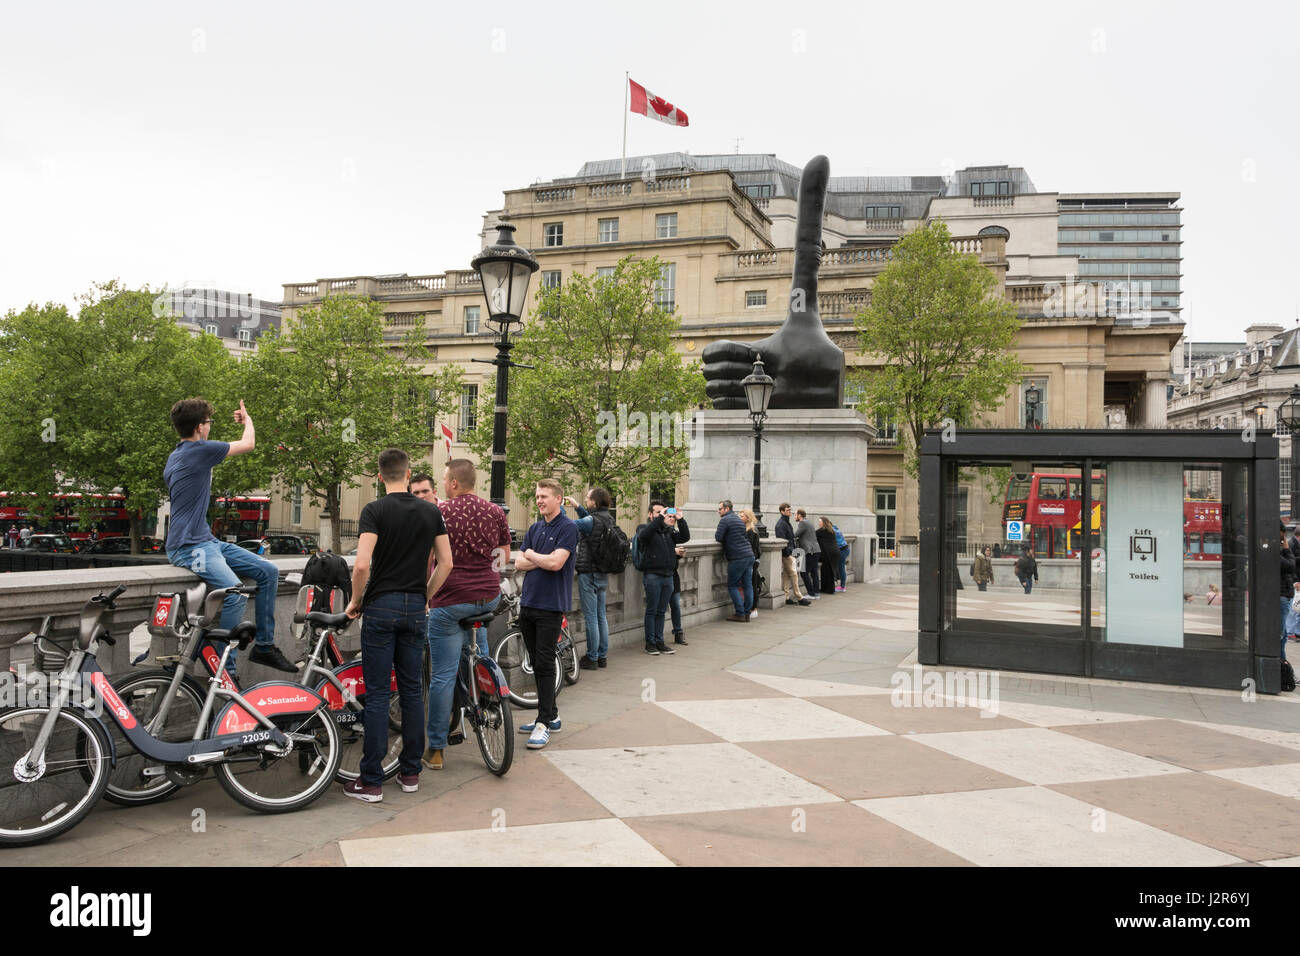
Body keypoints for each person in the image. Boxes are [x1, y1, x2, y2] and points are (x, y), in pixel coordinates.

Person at [342, 448, 452, 802]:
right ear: (408, 476)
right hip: (414, 609)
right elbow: (446, 563)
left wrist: (356, 600)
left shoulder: (374, 510)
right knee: (411, 690)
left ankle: (371, 781)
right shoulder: (430, 510)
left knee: (376, 695)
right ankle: (409, 774)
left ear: (379, 477)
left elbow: (361, 565)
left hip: (380, 608)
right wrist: (425, 595)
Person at [163, 398, 295, 676]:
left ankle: (264, 646)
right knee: (234, 592)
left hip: (206, 541)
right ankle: (225, 667)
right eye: (209, 423)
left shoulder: (177, 454)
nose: (211, 428)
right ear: (200, 428)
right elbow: (248, 444)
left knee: (268, 571)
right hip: (188, 546)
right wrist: (248, 421)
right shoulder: (197, 450)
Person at [419, 460, 509, 772]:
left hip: (451, 600)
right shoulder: (495, 512)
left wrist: (426, 595)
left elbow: (431, 558)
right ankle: (486, 694)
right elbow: (503, 556)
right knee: (479, 644)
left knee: (442, 675)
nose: (443, 483)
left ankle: (437, 749)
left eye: (445, 479)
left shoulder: (439, 513)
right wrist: (486, 578)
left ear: (454, 483)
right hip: (487, 598)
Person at [514, 479, 577, 749]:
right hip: (528, 603)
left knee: (544, 663)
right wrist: (537, 556)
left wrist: (531, 554)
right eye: (537, 496)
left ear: (559, 500)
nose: (539, 500)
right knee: (537, 664)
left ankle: (543, 723)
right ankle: (551, 716)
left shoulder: (569, 528)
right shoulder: (535, 527)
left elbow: (556, 563)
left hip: (551, 607)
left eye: (544, 496)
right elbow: (518, 562)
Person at [564, 487, 615, 669]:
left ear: (594, 501)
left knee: (591, 617)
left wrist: (559, 508)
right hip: (602, 573)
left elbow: (567, 525)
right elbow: (590, 520)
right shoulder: (608, 518)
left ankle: (591, 657)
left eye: (587, 498)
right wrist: (577, 507)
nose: (585, 500)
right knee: (602, 616)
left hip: (589, 573)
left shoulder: (591, 521)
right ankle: (602, 656)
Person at [637, 501, 686, 652]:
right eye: (658, 512)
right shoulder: (644, 528)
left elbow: (684, 537)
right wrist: (660, 519)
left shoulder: (668, 531)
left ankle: (660, 641)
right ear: (650, 515)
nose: (662, 515)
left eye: (662, 512)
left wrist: (681, 519)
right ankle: (650, 643)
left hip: (668, 576)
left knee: (661, 611)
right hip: (653, 575)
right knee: (652, 610)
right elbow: (644, 536)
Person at [715, 500, 753, 622]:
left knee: (732, 585)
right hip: (749, 555)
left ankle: (740, 613)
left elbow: (718, 537)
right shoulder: (738, 520)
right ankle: (747, 613)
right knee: (748, 585)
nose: (718, 511)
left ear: (726, 509)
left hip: (737, 557)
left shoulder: (725, 520)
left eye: (720, 509)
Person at [773, 504, 810, 606]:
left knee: (786, 575)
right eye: (787, 510)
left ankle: (786, 597)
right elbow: (783, 540)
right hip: (787, 554)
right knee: (794, 574)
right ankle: (799, 597)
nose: (790, 511)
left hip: (789, 552)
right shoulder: (781, 524)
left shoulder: (786, 522)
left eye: (790, 509)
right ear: (782, 511)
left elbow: (790, 539)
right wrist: (788, 553)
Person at [739, 508, 761, 619]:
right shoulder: (749, 529)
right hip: (751, 560)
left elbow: (753, 548)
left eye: (742, 516)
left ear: (748, 518)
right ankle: (751, 608)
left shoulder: (751, 531)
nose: (740, 517)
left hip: (750, 561)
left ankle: (753, 608)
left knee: (752, 584)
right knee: (750, 584)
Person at [794, 508, 821, 599]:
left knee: (803, 572)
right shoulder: (808, 522)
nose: (794, 516)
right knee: (814, 573)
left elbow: (795, 534)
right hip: (816, 550)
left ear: (799, 515)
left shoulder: (802, 523)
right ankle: (816, 593)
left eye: (795, 514)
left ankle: (811, 593)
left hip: (810, 551)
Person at [816, 518, 838, 595]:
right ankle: (829, 589)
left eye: (820, 522)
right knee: (829, 571)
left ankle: (828, 589)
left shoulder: (822, 530)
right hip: (834, 552)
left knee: (826, 570)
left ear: (824, 522)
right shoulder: (831, 530)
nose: (819, 523)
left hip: (828, 553)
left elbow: (813, 535)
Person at [833, 523, 850, 591]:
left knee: (841, 568)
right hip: (845, 549)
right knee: (841, 567)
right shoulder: (836, 529)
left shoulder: (832, 530)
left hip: (842, 550)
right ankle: (842, 585)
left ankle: (842, 587)